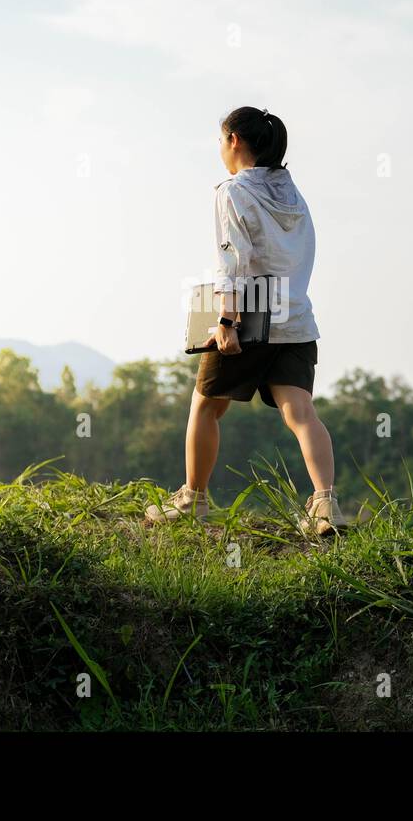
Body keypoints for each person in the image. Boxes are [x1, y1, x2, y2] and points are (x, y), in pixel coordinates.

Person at [146, 106, 344, 535]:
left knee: (205, 406)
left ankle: (193, 500)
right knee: (301, 412)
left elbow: (233, 259)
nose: (219, 148)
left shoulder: (232, 191)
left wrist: (225, 320)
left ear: (235, 140)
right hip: (297, 319)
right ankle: (325, 504)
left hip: (251, 313)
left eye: (220, 140)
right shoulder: (294, 195)